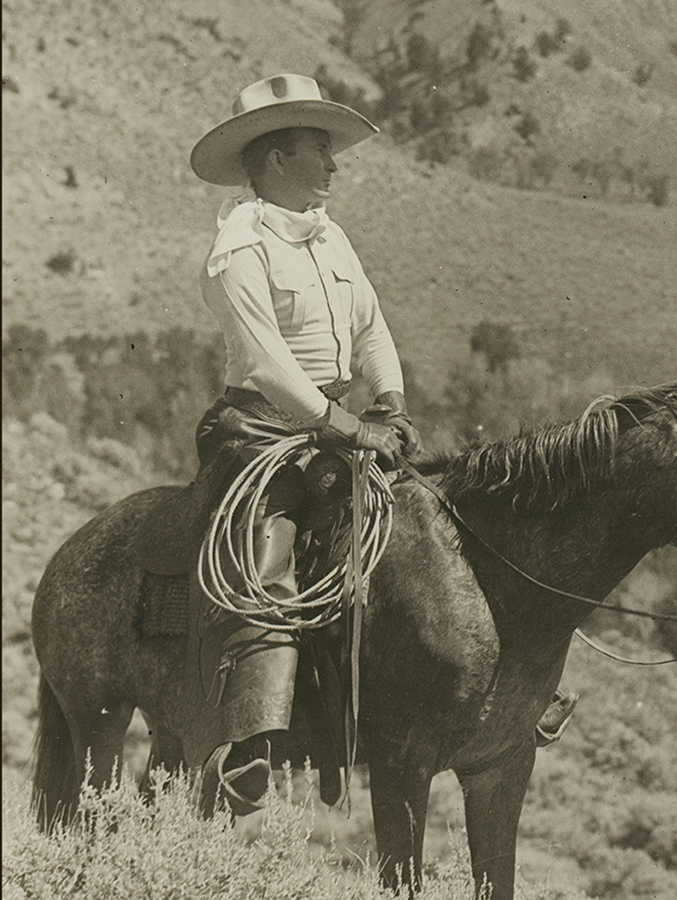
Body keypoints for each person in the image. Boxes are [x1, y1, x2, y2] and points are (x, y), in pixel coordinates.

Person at [187, 73, 418, 815]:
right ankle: (247, 748)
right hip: (261, 433)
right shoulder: (237, 248)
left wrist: (390, 402)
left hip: (339, 427)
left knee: (437, 516)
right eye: (319, 150)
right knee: (270, 567)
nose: (334, 165)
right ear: (275, 158)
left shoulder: (331, 235)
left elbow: (372, 328)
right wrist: (350, 428)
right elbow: (267, 367)